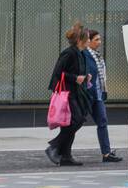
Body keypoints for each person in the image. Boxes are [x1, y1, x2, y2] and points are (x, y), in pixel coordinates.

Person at [46, 22, 92, 166]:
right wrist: (75, 78)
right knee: (76, 120)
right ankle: (54, 146)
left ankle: (66, 156)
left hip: (77, 91)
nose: (90, 41)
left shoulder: (82, 54)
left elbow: (77, 72)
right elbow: (58, 73)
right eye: (88, 38)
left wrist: (85, 77)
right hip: (66, 92)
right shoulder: (69, 53)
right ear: (80, 40)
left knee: (73, 122)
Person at [84, 29, 122, 164]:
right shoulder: (84, 54)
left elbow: (100, 76)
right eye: (96, 40)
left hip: (98, 95)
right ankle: (58, 149)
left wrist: (103, 91)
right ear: (88, 41)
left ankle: (106, 154)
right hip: (87, 95)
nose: (99, 42)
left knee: (102, 122)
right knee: (74, 124)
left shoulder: (97, 55)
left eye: (100, 39)